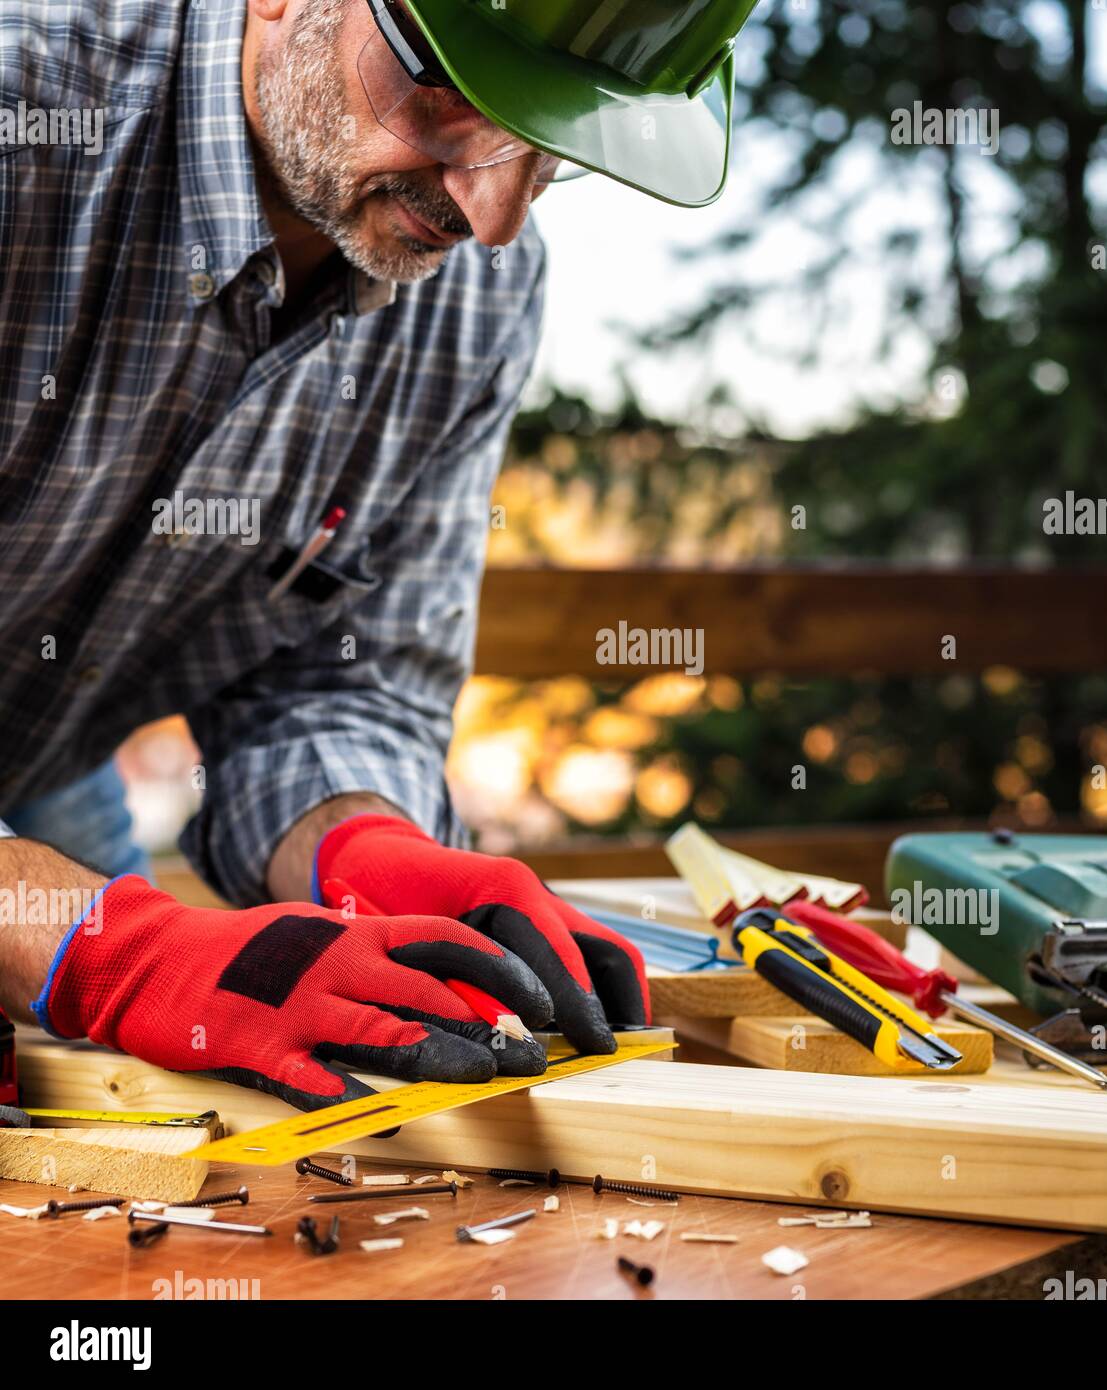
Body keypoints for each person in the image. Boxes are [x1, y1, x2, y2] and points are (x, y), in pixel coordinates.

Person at [0, 0, 757, 1109]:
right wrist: (109, 951)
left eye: (549, 150)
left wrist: (364, 844)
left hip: (45, 760)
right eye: (449, 94)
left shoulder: (477, 298)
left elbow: (335, 678)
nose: (493, 216)